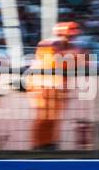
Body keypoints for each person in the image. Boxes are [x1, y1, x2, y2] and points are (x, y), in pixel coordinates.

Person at [28, 21, 83, 150]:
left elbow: (80, 62)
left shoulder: (68, 46)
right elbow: (55, 62)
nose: (73, 34)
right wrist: (73, 55)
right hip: (43, 86)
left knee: (53, 118)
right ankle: (39, 146)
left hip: (56, 86)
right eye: (71, 31)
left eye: (74, 31)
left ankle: (49, 144)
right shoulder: (50, 43)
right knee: (44, 117)